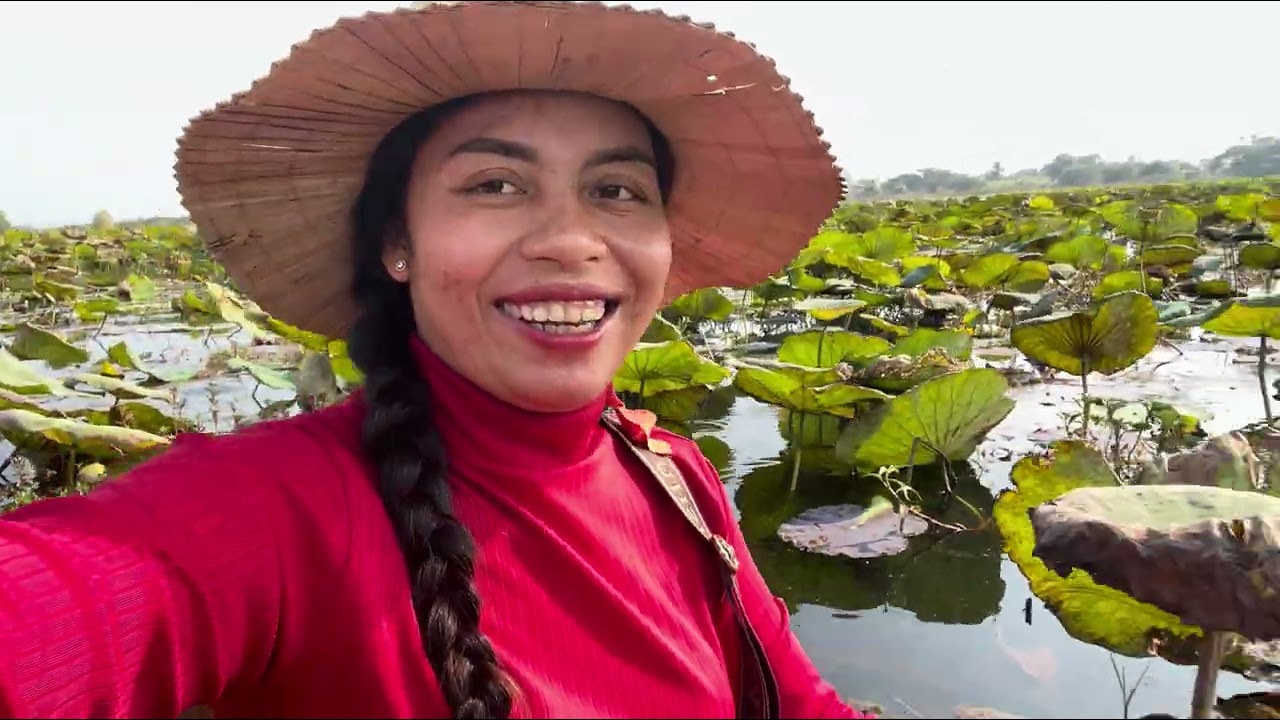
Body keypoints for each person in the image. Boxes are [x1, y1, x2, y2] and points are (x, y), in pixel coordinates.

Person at [0, 2, 871, 718]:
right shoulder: (279, 507)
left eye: (616, 190)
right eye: (496, 185)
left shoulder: (678, 476)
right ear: (397, 243)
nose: (571, 239)